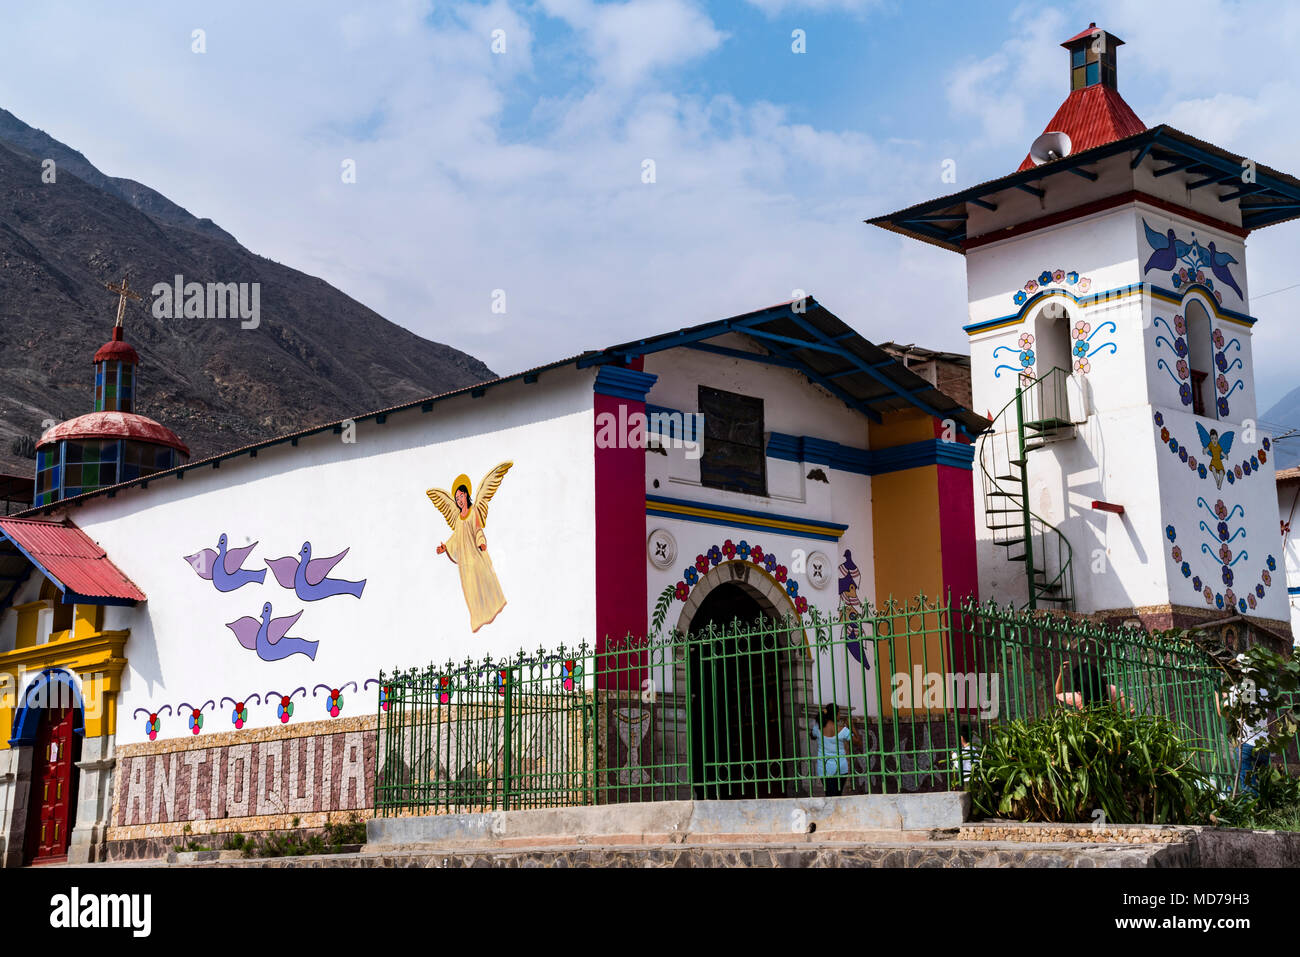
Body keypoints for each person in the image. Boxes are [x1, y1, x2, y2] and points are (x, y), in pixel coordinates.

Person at [1216, 687, 1270, 796]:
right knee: (1263, 786)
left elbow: (1223, 713)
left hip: (1246, 744)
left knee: (1248, 788)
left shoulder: (1236, 689)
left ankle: (1252, 810)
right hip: (1264, 743)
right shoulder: (1263, 688)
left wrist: (1218, 696)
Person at [810, 704, 858, 797]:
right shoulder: (843, 730)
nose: (840, 715)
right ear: (835, 715)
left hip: (824, 768)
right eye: (839, 713)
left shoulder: (817, 728)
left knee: (829, 794)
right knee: (837, 795)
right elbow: (858, 742)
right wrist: (851, 726)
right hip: (840, 767)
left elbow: (812, 735)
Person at [1055, 658, 1126, 710]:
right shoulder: (1111, 689)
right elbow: (1131, 711)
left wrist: (1061, 674)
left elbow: (1058, 693)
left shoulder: (1079, 698)